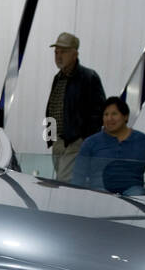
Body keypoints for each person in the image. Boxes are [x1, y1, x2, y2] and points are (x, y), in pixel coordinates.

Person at [72, 96, 145, 195]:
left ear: (125, 116)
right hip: (99, 195)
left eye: (114, 114)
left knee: (137, 194)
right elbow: (78, 174)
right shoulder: (90, 142)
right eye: (106, 114)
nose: (109, 118)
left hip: (134, 196)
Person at [44, 32, 105, 182]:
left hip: (75, 141)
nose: (58, 56)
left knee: (64, 181)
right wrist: (50, 138)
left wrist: (85, 140)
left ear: (75, 54)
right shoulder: (58, 77)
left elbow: (98, 112)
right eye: (56, 52)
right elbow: (52, 107)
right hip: (57, 140)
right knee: (63, 181)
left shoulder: (88, 77)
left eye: (63, 52)